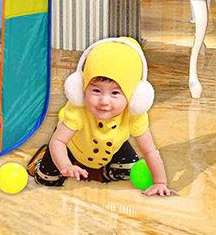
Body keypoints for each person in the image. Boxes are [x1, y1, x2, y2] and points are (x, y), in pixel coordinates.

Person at [28, 37, 177, 196]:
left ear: (134, 96)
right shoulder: (78, 111)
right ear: (82, 88)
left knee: (126, 171)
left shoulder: (134, 115)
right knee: (47, 180)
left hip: (109, 148)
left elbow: (150, 151)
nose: (104, 101)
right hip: (72, 148)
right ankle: (42, 160)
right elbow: (58, 141)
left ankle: (94, 170)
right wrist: (65, 165)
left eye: (115, 93)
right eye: (96, 91)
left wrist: (160, 182)